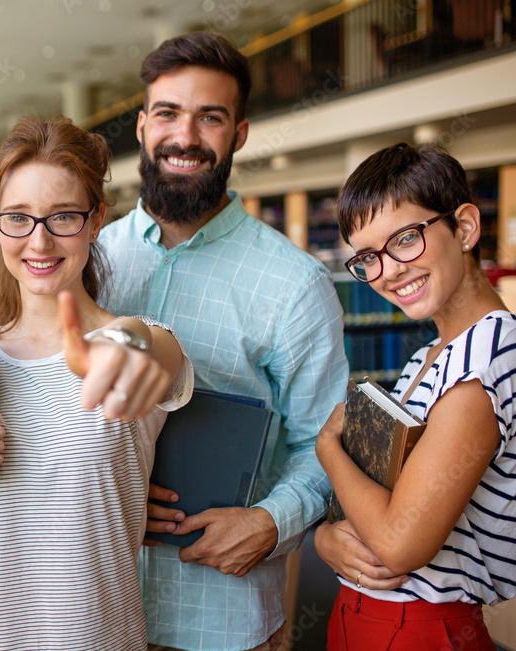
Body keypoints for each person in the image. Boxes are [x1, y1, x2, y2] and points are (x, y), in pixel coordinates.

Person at [99, 32, 350, 651]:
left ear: (238, 133)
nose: (184, 137)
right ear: (141, 125)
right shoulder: (91, 259)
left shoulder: (294, 285)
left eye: (209, 117)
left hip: (219, 619)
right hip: (89, 607)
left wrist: (271, 521)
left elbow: (325, 442)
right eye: (167, 113)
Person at [0, 115, 194, 651]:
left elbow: (149, 350)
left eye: (63, 217)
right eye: (18, 218)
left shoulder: (142, 343)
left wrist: (125, 342)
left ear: (95, 220)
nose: (39, 241)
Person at [313, 143, 514, 650]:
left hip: (420, 628)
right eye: (368, 258)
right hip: (365, 614)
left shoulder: (484, 359)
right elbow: (376, 503)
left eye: (405, 239)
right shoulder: (433, 353)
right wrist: (326, 539)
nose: (389, 271)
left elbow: (400, 544)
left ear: (464, 227)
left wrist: (327, 449)